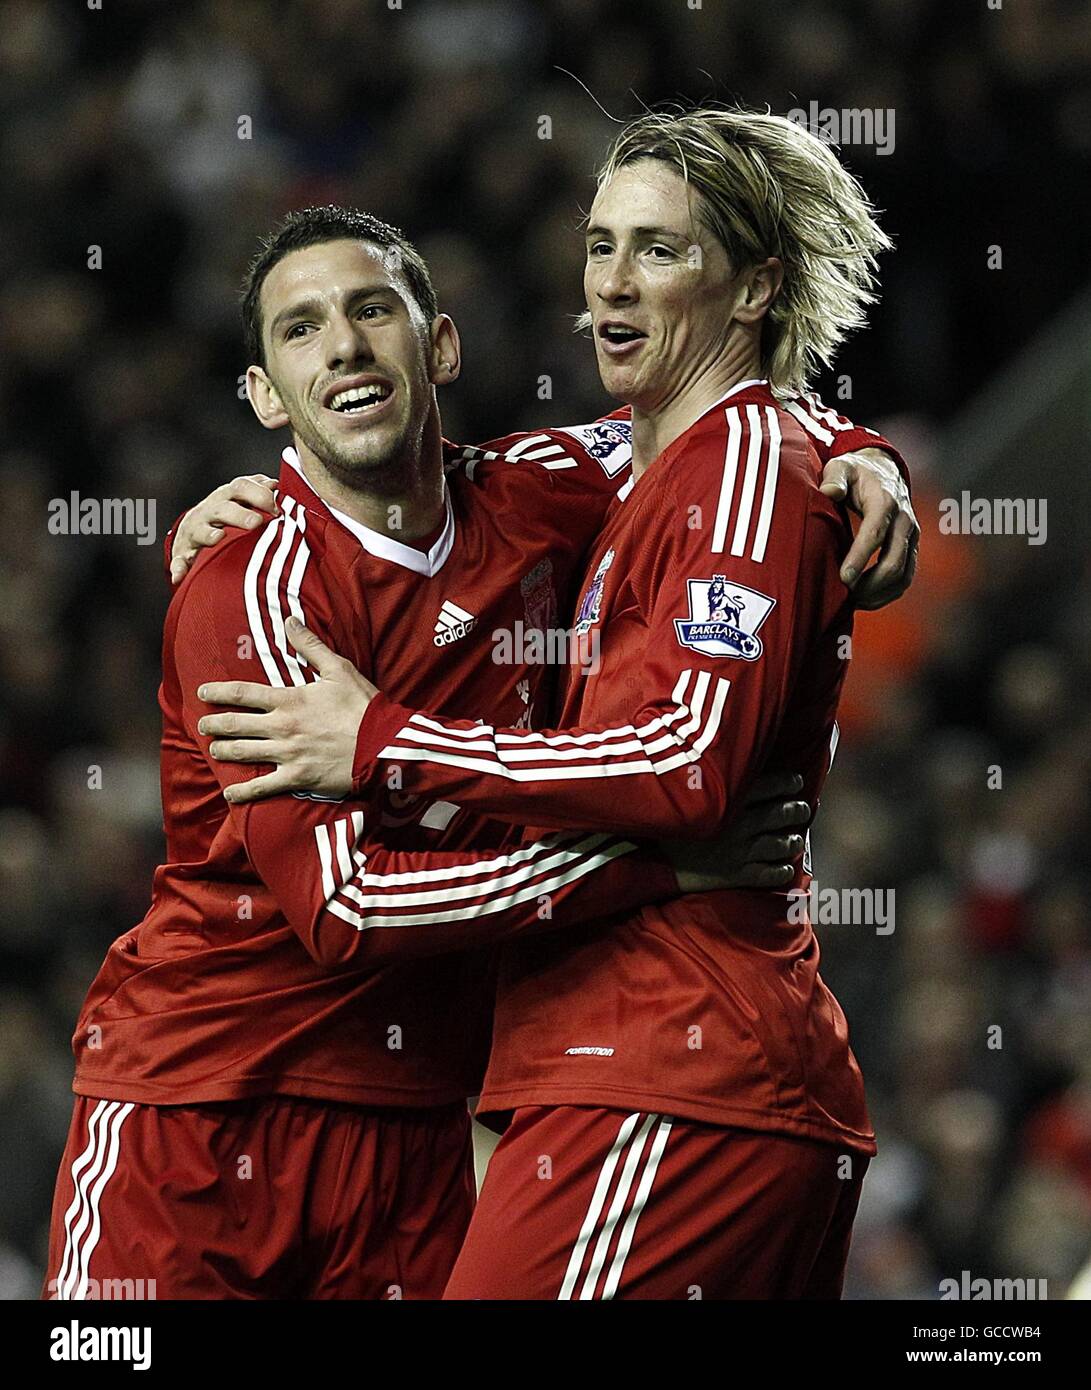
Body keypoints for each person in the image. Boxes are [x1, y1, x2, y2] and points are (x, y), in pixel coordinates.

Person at [45, 204, 909, 1302]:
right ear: (266, 397)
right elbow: (346, 908)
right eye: (300, 330)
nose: (345, 346)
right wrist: (651, 864)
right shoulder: (254, 591)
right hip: (200, 1107)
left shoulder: (536, 489)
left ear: (438, 344)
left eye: (371, 310)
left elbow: (735, 423)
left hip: (414, 1132)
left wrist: (864, 457)